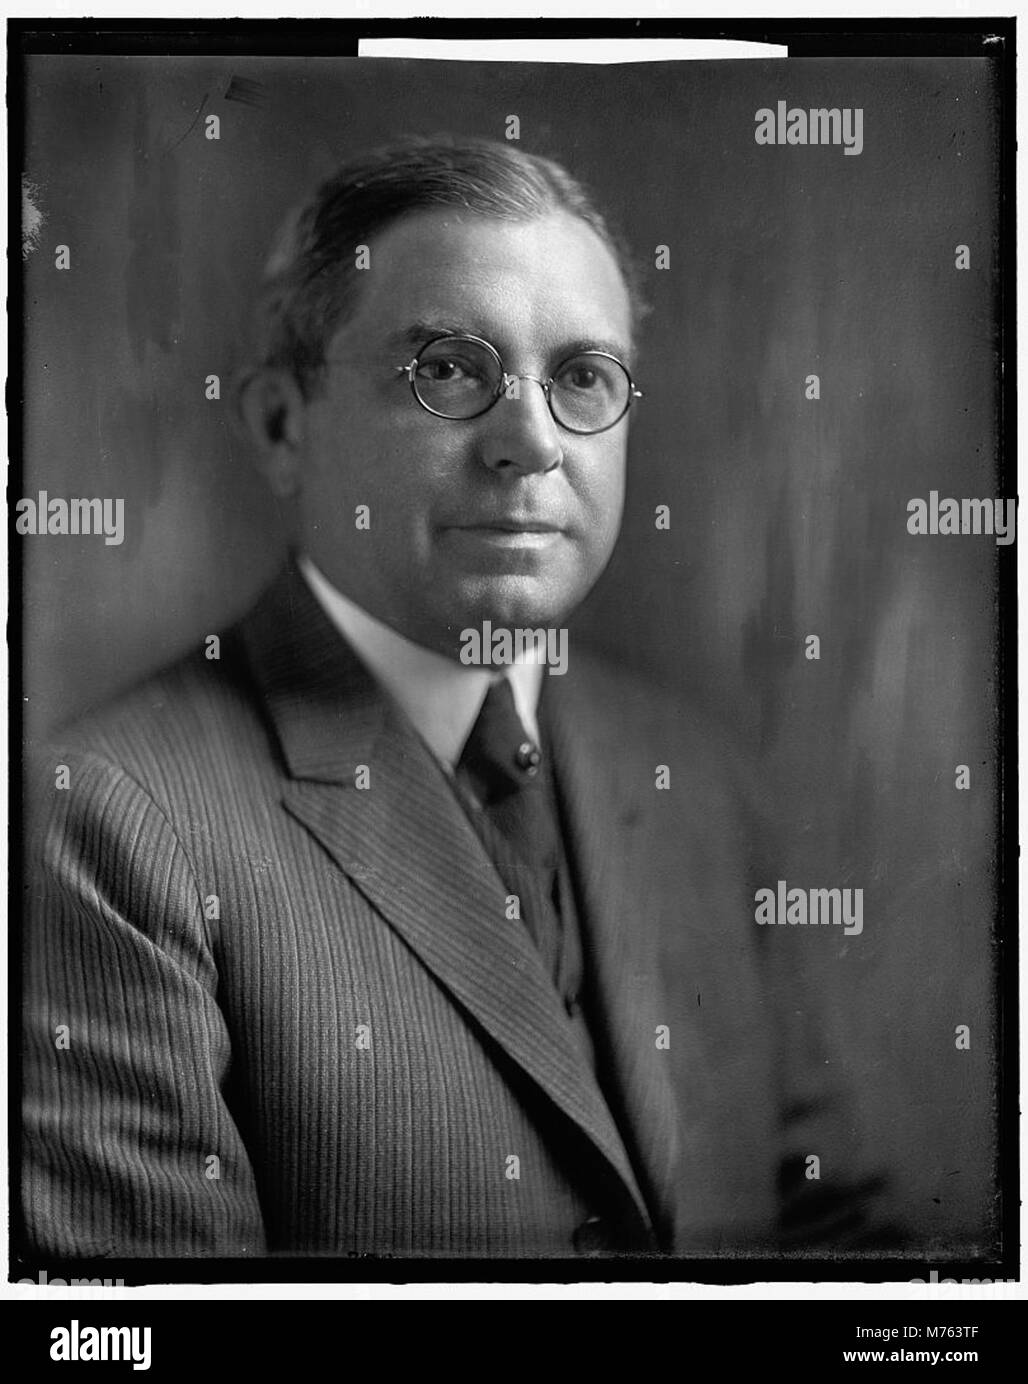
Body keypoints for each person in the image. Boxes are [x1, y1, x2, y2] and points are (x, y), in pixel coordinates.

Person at [20, 136, 807, 1261]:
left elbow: (842, 1237)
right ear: (282, 427)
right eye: (447, 368)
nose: (530, 442)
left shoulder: (689, 769)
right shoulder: (107, 823)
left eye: (582, 375)